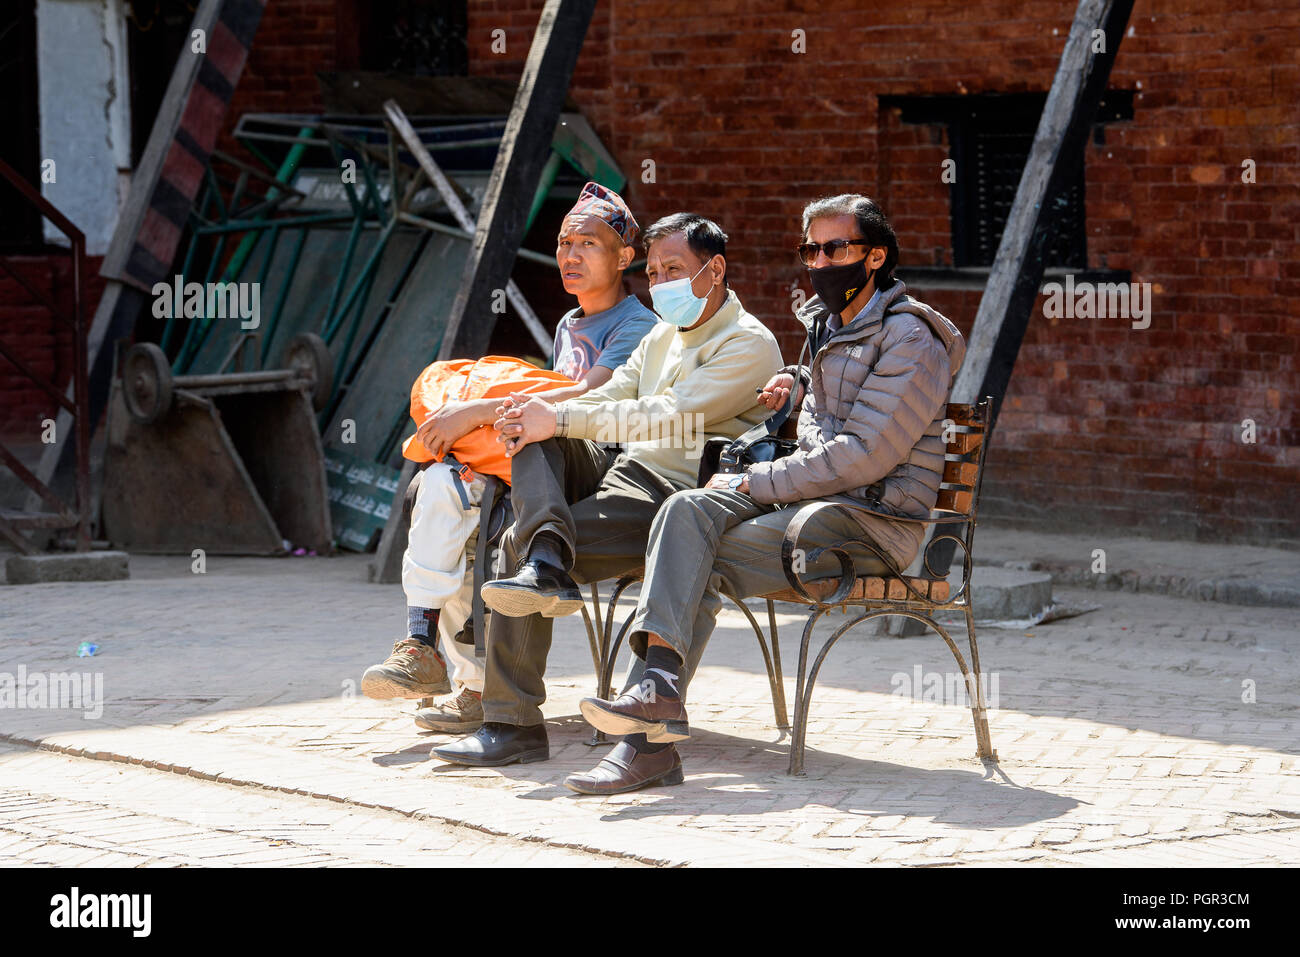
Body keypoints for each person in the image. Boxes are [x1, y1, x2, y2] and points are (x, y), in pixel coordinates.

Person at [566, 193, 967, 795]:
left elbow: (866, 455)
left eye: (839, 248)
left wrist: (760, 480)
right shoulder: (832, 325)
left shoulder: (911, 337)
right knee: (685, 510)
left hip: (873, 517)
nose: (822, 261)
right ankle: (657, 698)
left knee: (692, 557)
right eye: (813, 249)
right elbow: (843, 404)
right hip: (813, 497)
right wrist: (801, 383)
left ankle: (647, 740)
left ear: (876, 256)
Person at [430, 212, 785, 768]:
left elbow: (668, 415)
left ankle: (516, 702)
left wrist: (562, 422)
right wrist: (543, 414)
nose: (660, 281)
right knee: (531, 434)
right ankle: (545, 568)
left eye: (675, 268)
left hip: (676, 499)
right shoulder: (664, 334)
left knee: (515, 540)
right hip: (623, 475)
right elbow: (613, 391)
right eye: (654, 270)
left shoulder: (749, 344)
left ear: (715, 269)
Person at [360, 182, 657, 735]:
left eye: (587, 244)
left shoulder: (637, 326)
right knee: (438, 492)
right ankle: (427, 651)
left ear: (624, 257)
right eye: (565, 243)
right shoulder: (570, 324)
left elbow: (589, 395)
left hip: (595, 468)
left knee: (492, 483)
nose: (570, 256)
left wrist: (476, 409)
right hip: (537, 457)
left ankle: (484, 687)